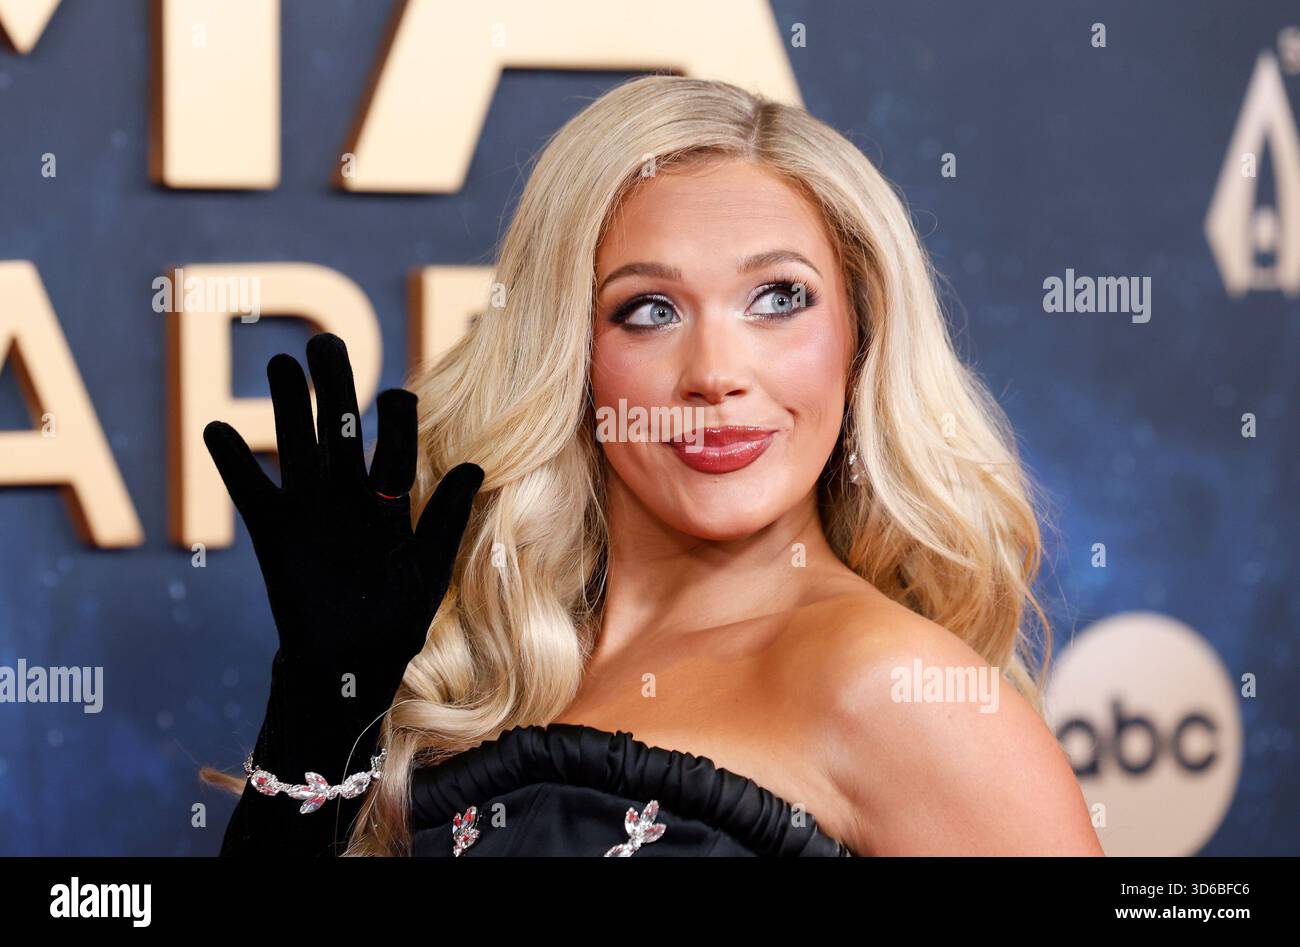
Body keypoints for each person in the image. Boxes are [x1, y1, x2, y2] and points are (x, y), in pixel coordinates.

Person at [203, 74, 1103, 857]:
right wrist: (322, 704)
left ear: (858, 339)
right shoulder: (488, 665)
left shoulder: (901, 693)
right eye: (648, 309)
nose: (716, 374)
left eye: (778, 297)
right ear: (571, 352)